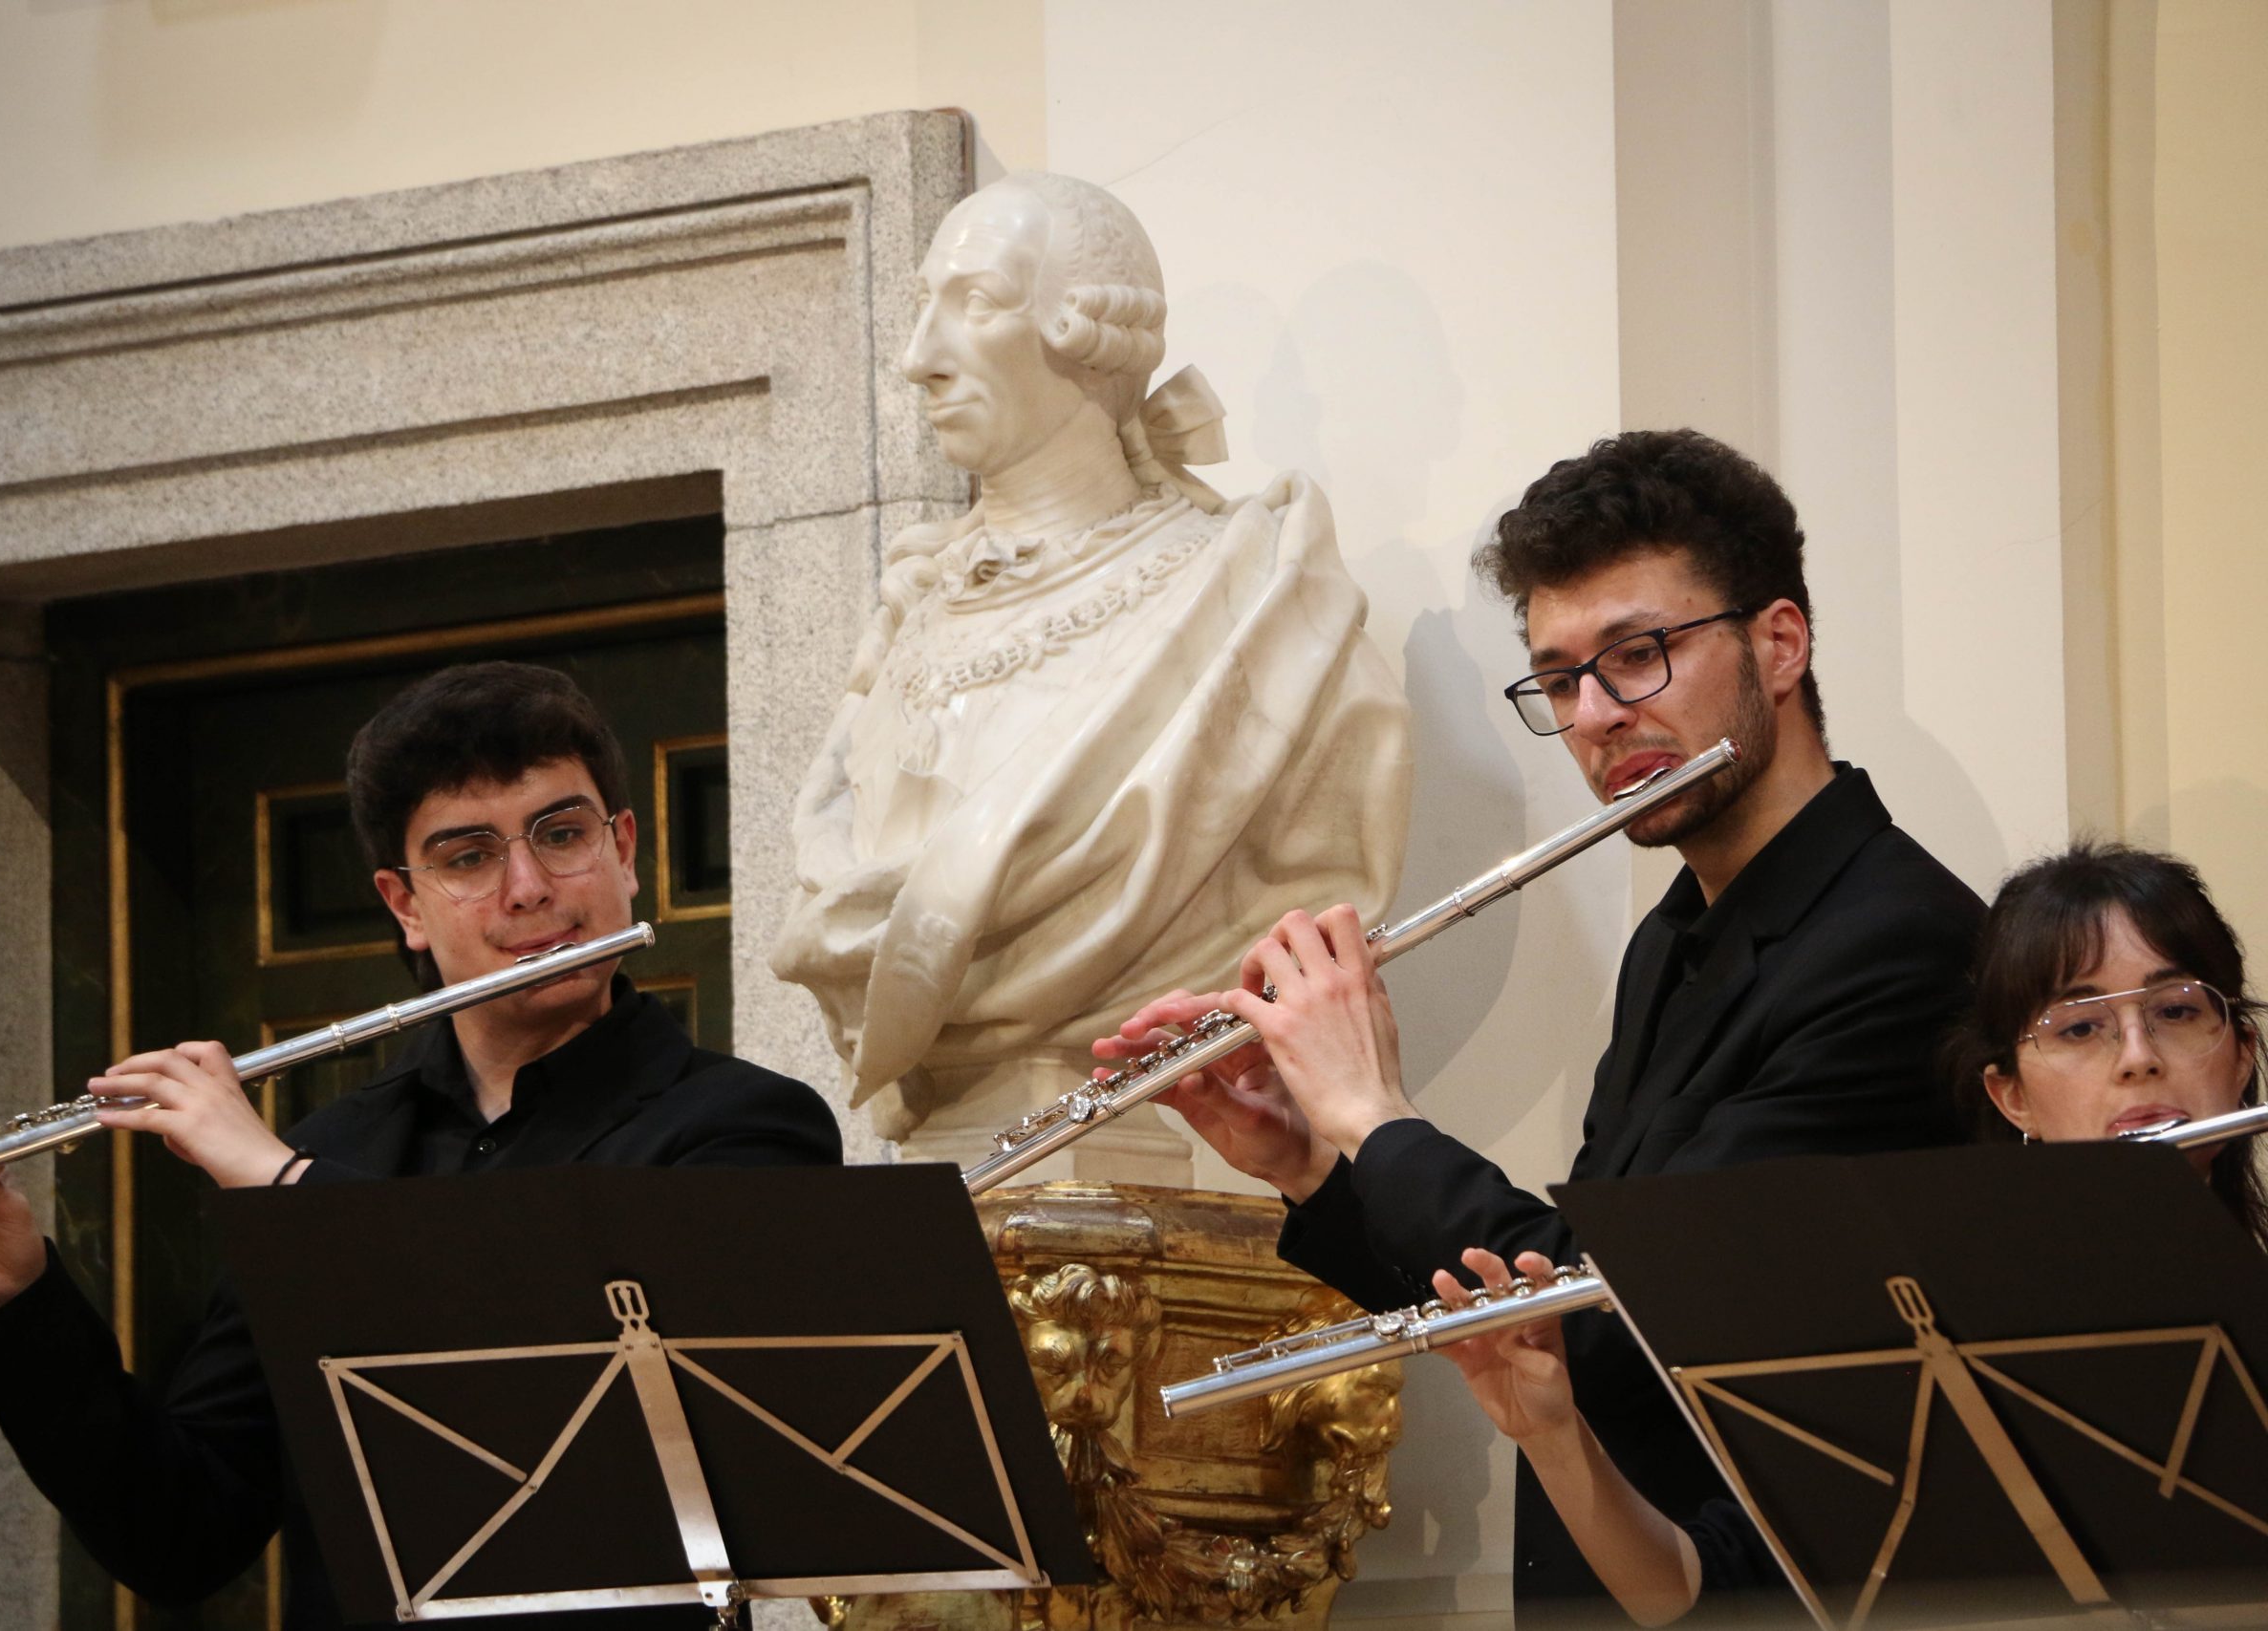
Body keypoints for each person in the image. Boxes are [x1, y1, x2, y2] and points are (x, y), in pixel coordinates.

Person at [1094, 429, 1983, 1623]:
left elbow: (1623, 1318)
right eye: (1561, 678)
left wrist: (1372, 1113)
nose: (1598, 716)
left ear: (1778, 644)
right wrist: (1313, 1158)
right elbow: (1541, 1282)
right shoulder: (1673, 941)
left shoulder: (1902, 945)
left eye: (1638, 656)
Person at [0, 661, 842, 1629]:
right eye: (468, 857)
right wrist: (13, 1298)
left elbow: (599, 1409)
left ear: (624, 850)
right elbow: (180, 1536)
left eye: (562, 836)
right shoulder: (335, 1144)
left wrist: (286, 1183)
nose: (528, 888)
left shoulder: (744, 1126)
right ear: (403, 904)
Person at [1440, 840, 2268, 1625]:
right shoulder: (1919, 1328)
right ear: (2010, 1095)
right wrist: (1554, 1436)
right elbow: (1690, 1591)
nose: (2137, 1055)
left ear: (2240, 1057)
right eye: (2080, 1026)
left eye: (2175, 1009)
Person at [772, 170, 1409, 1179]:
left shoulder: (1259, 608)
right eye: (920, 306)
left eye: (971, 303)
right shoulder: (908, 619)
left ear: (1088, 331)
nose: (915, 359)